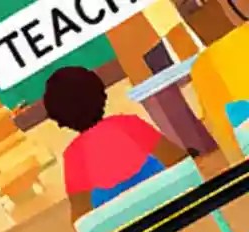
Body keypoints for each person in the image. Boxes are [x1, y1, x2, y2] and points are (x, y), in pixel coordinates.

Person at [43, 66, 189, 222]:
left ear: (60, 118)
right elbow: (180, 161)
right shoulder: (129, 124)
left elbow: (81, 217)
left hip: (124, 225)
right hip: (171, 203)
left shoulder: (73, 155)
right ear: (99, 94)